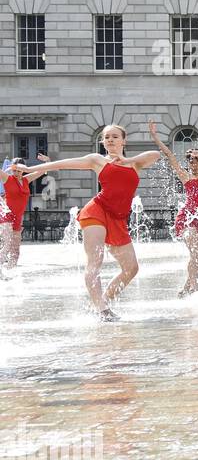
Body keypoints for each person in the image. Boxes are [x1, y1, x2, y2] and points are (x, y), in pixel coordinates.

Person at [18, 125, 162, 320]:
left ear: (123, 140)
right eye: (106, 137)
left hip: (118, 219)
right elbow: (62, 164)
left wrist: (127, 159)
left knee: (131, 268)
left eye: (115, 136)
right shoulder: (98, 160)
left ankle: (101, 301)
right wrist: (30, 169)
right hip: (97, 211)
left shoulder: (134, 164)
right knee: (96, 260)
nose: (110, 140)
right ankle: (103, 310)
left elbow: (155, 154)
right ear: (103, 142)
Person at [150, 122, 198, 298]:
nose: (194, 164)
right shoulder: (186, 176)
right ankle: (194, 285)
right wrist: (154, 136)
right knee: (195, 254)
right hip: (187, 220)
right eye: (191, 161)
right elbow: (169, 155)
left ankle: (185, 289)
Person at [1, 154, 48, 269]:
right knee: (7, 244)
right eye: (14, 170)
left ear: (24, 170)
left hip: (18, 218)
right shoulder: (7, 178)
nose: (16, 173)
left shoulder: (27, 179)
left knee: (15, 250)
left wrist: (46, 161)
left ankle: (10, 273)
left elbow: (43, 171)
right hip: (6, 215)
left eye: (19, 170)